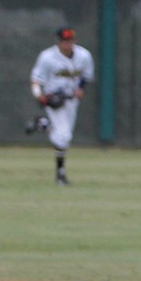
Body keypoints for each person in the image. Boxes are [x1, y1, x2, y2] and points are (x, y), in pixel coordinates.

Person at [25, 26, 95, 186]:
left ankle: (43, 125)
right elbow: (36, 79)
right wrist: (39, 96)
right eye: (64, 41)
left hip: (71, 101)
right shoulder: (47, 57)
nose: (68, 44)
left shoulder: (84, 55)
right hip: (54, 99)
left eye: (70, 40)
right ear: (59, 42)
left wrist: (81, 88)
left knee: (63, 137)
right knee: (64, 136)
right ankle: (60, 175)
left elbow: (86, 75)